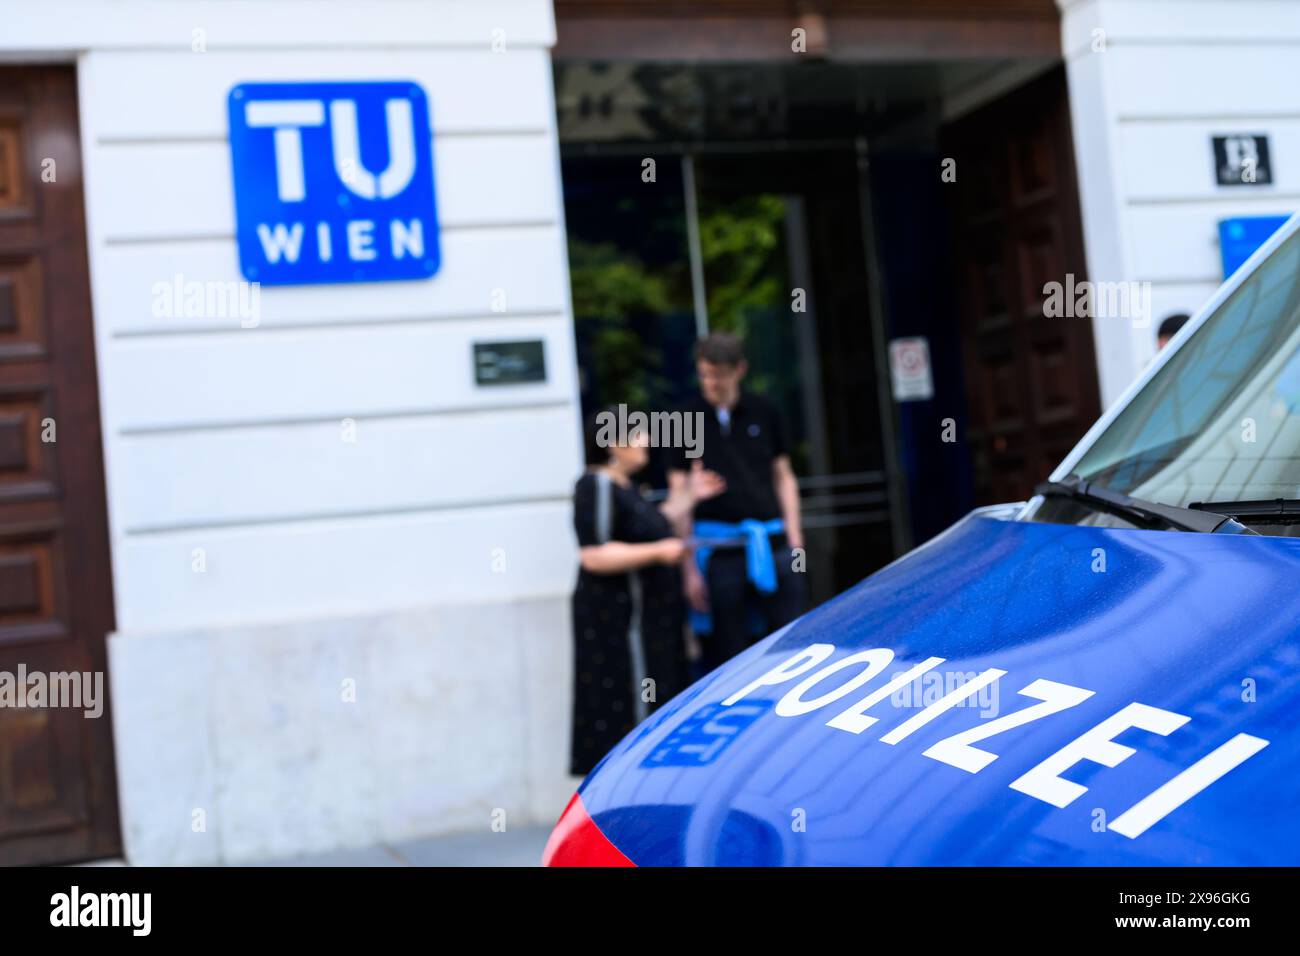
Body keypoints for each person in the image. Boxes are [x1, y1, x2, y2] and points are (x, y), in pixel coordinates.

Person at [569, 408, 725, 776]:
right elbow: (593, 554)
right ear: (612, 443)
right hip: (620, 626)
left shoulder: (624, 487)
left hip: (648, 622)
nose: (647, 442)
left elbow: (650, 525)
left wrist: (688, 499)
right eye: (637, 435)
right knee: (625, 704)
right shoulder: (596, 486)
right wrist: (658, 552)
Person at [666, 333, 806, 672]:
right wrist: (687, 570)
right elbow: (677, 495)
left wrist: (795, 539)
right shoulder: (683, 419)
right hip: (717, 551)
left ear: (739, 370)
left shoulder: (765, 410)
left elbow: (783, 476)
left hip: (771, 543)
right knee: (728, 654)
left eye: (719, 374)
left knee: (789, 642)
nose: (711, 382)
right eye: (705, 374)